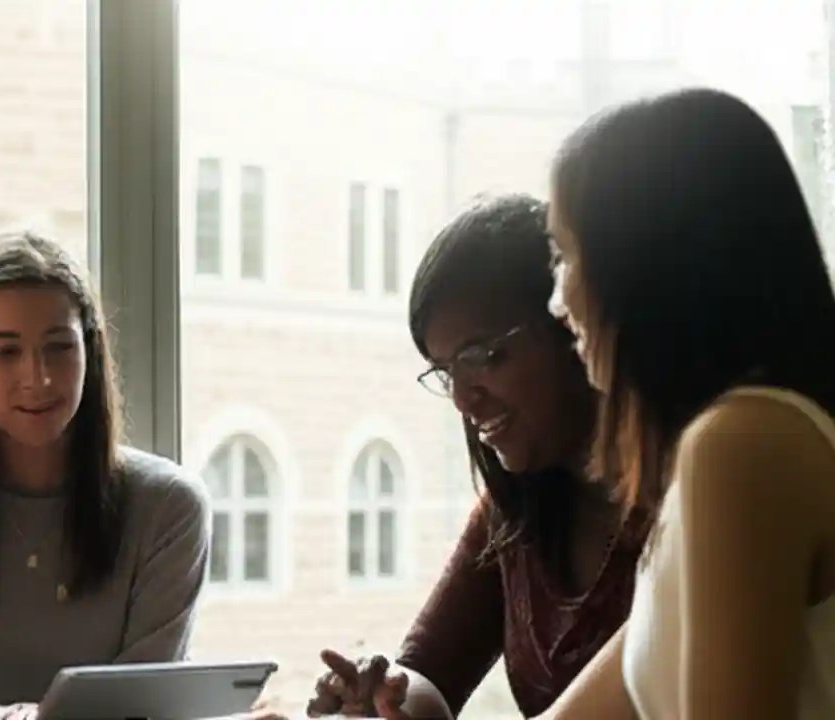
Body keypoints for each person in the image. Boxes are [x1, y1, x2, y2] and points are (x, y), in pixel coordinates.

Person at [538, 87, 835, 720]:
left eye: (563, 254)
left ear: (641, 258)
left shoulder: (742, 444)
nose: (556, 304)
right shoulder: (726, 453)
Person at [305, 195, 649, 719]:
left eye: (479, 357)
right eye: (445, 371)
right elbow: (428, 673)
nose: (464, 400)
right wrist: (383, 697)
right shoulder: (511, 512)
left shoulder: (688, 495)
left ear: (571, 325)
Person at [0, 231, 211, 720]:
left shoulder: (170, 505)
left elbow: (144, 699)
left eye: (58, 347)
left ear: (89, 353)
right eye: (4, 352)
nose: (38, 378)